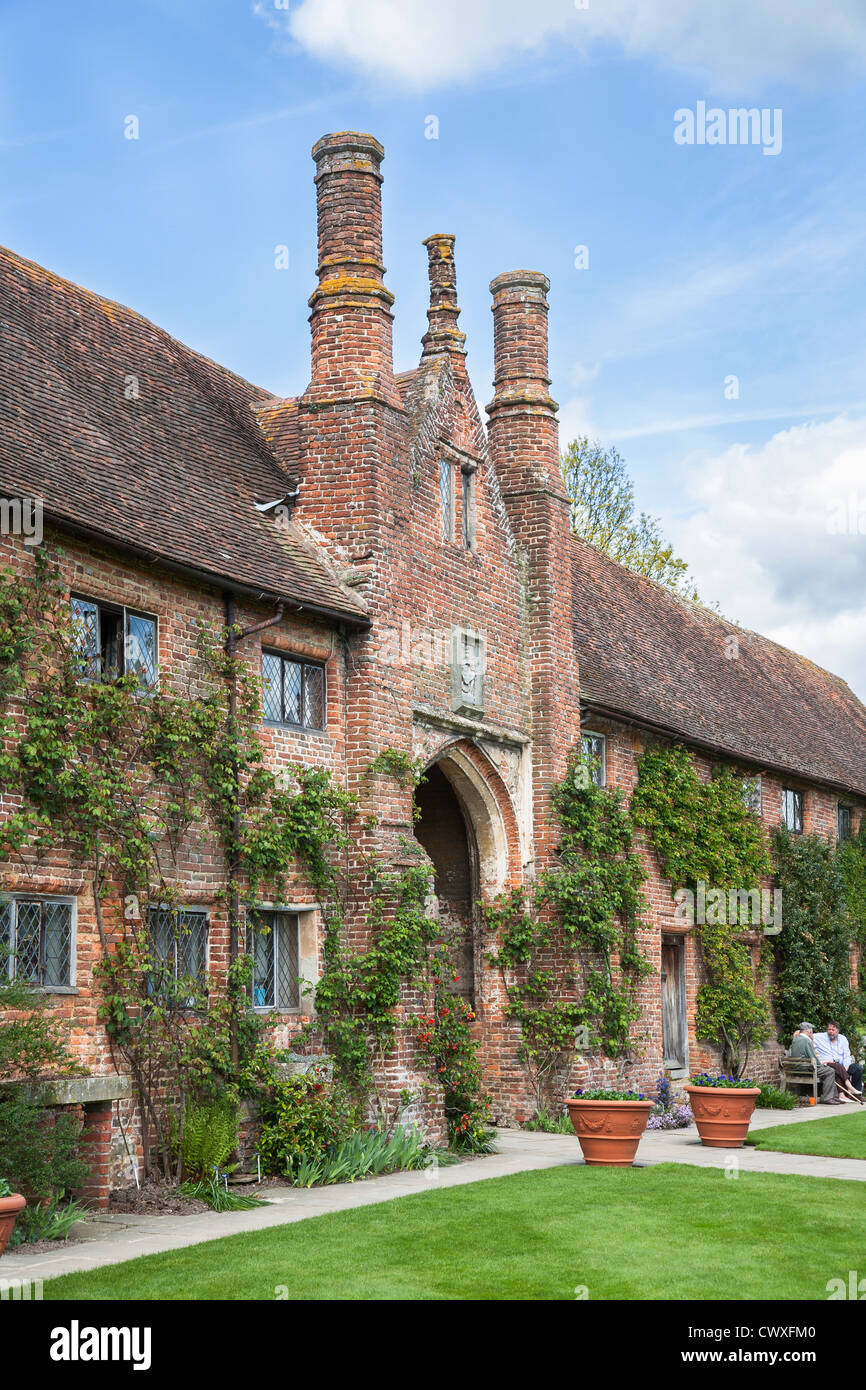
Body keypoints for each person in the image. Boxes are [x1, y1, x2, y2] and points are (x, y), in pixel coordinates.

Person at [788, 1023, 842, 1104]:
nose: (812, 1032)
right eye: (812, 1030)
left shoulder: (795, 1039)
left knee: (828, 1070)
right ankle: (827, 1098)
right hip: (805, 1069)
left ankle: (834, 1097)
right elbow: (812, 1057)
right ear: (809, 1030)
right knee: (830, 1071)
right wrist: (821, 1065)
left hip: (796, 1068)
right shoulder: (807, 1040)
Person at [813, 1022, 863, 1103]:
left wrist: (846, 1067)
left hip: (844, 1066)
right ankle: (844, 1093)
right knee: (836, 1068)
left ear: (838, 1031)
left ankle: (856, 1096)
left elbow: (847, 1055)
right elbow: (806, 1033)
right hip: (829, 1065)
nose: (830, 1031)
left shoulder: (843, 1039)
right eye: (829, 1029)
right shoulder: (820, 1037)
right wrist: (797, 1032)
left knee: (858, 1068)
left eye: (833, 1030)